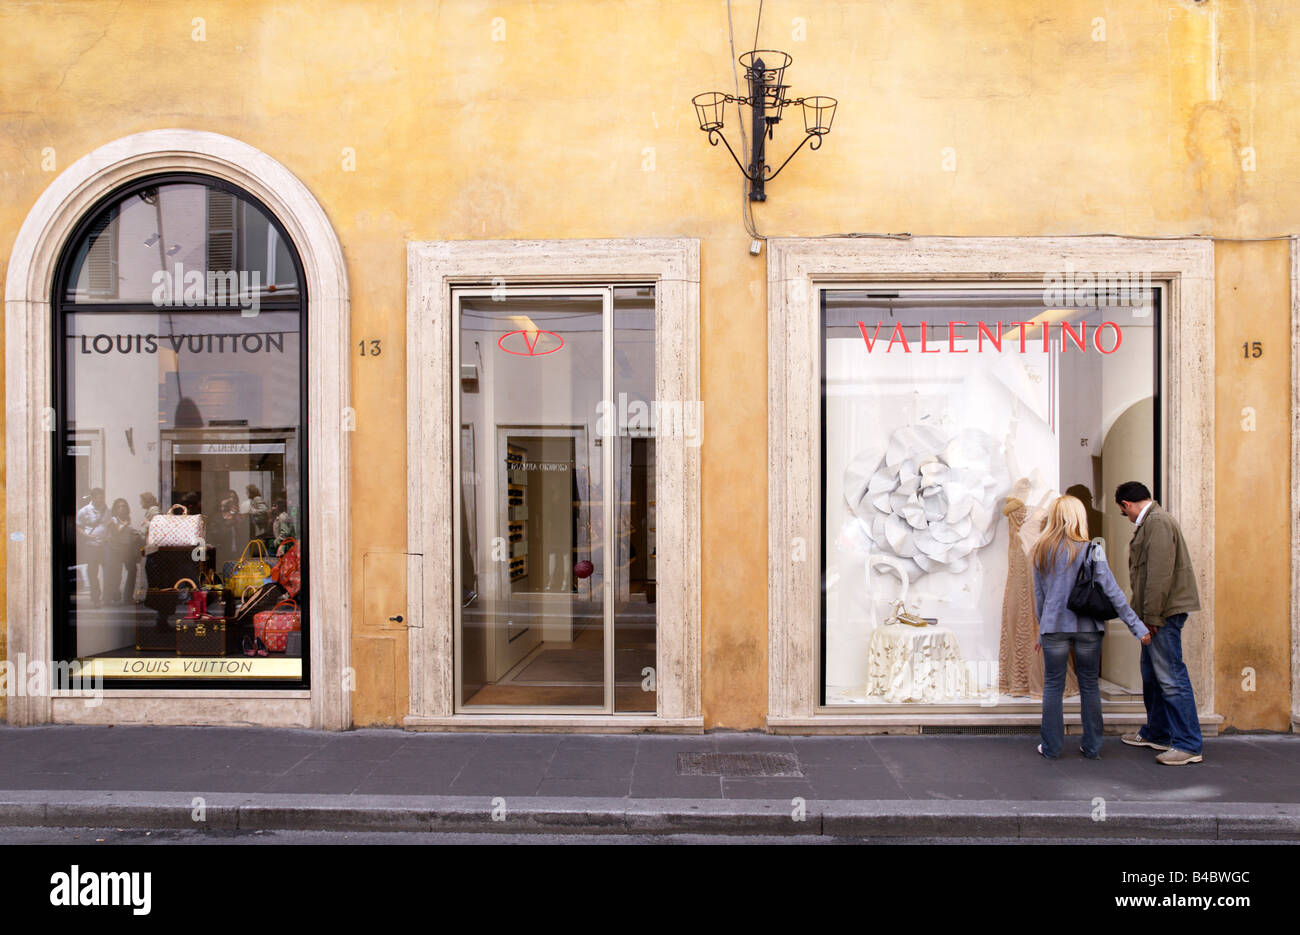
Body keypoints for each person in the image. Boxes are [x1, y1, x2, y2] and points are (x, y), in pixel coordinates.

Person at [1031, 495, 1150, 759]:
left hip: (1054, 627)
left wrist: (1042, 630)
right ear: (1079, 517)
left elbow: (1039, 597)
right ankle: (1092, 747)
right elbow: (1113, 592)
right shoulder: (1092, 549)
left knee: (1053, 687)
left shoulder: (1040, 550)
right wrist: (1137, 627)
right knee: (1089, 685)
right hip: (1088, 627)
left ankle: (1051, 748)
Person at [1114, 481, 1204, 766]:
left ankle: (1188, 744)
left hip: (1161, 615)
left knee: (1171, 677)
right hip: (1155, 615)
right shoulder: (1153, 522)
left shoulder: (1157, 523)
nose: (1125, 516)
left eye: (1122, 512)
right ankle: (1159, 732)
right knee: (1152, 675)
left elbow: (1158, 575)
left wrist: (1151, 617)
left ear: (1126, 505)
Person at [74, 488, 110, 607]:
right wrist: (88, 536)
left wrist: (108, 535)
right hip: (91, 545)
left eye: (102, 497)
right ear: (93, 498)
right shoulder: (84, 511)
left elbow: (109, 524)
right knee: (92, 572)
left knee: (107, 571)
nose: (100, 499)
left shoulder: (107, 510)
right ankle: (96, 598)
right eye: (98, 497)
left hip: (104, 545)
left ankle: (106, 596)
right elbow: (78, 526)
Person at [106, 498, 142, 604]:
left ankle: (128, 597)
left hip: (128, 549)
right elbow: (115, 532)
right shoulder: (113, 520)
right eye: (119, 506)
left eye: (124, 506)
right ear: (115, 509)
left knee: (132, 571)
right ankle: (114, 594)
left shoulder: (128, 519)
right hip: (116, 550)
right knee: (116, 574)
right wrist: (125, 526)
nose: (122, 508)